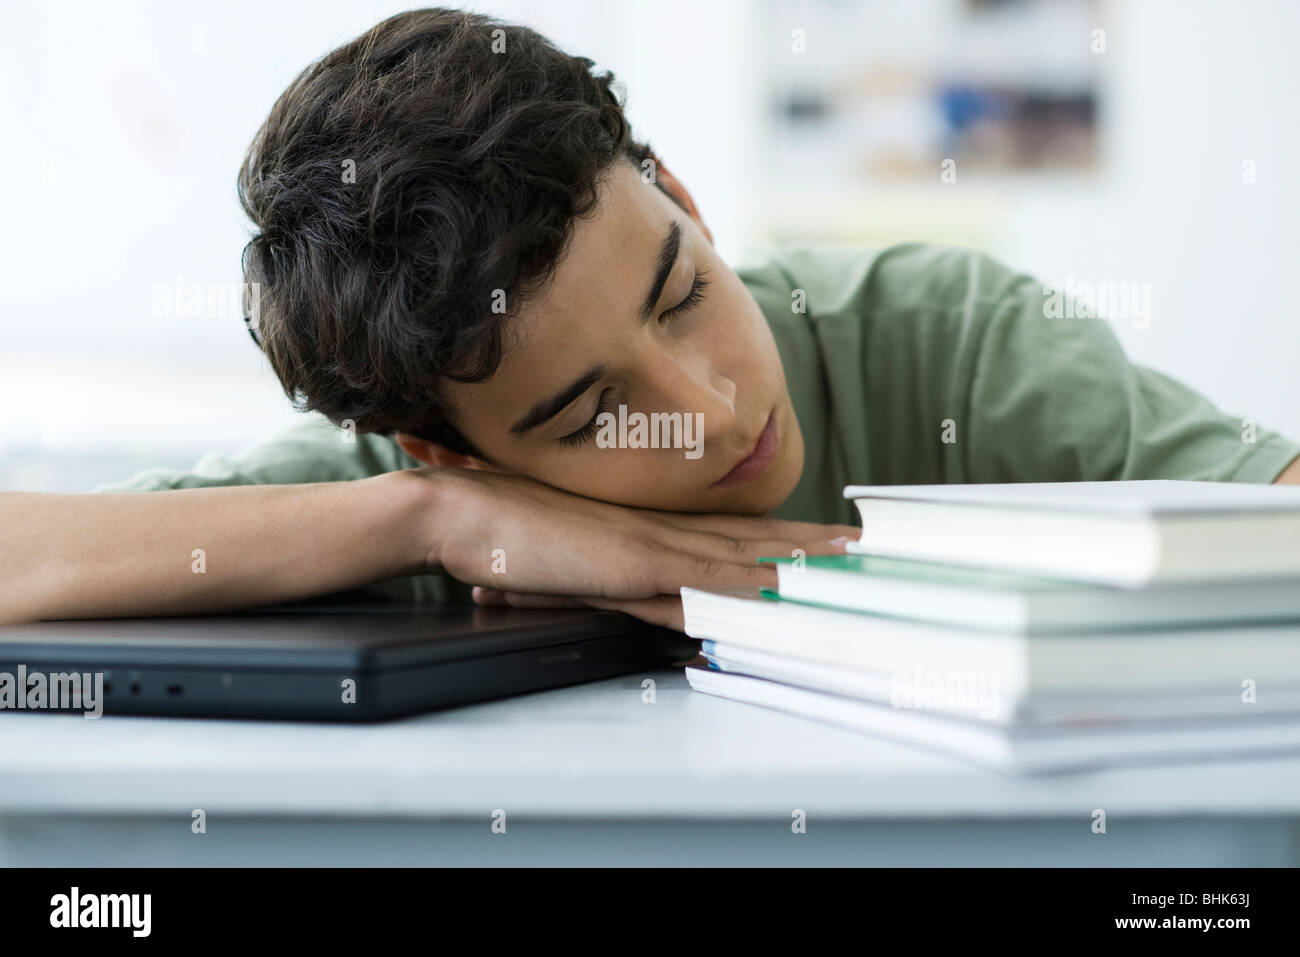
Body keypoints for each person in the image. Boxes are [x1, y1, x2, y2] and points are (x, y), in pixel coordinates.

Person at [5, 8, 1296, 630]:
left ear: (680, 195)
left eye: (681, 293)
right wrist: (442, 521)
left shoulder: (946, 336)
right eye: (587, 414)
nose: (716, 406)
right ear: (450, 447)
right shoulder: (402, 484)